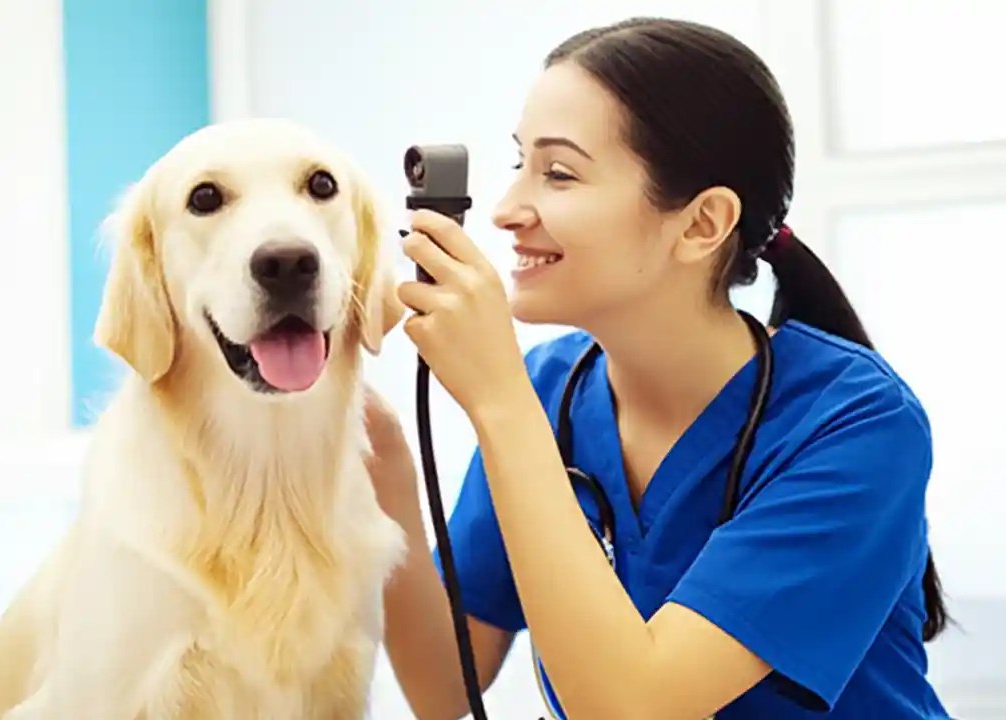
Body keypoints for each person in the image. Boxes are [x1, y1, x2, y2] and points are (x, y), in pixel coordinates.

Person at [365, 16, 952, 720]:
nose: (506, 209)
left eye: (558, 173)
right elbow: (441, 686)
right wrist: (388, 464)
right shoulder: (551, 388)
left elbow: (634, 708)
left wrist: (498, 401)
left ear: (702, 224)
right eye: (519, 161)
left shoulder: (855, 422)